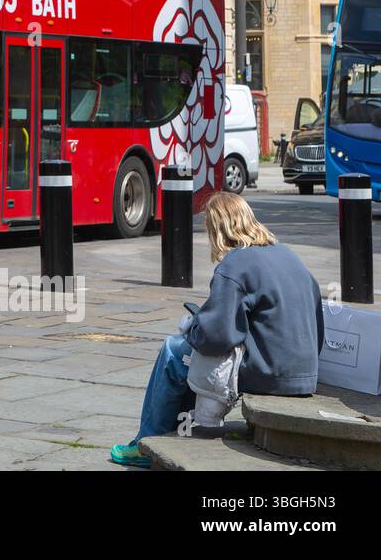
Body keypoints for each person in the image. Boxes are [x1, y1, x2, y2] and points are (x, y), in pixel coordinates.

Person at [110, 193, 324, 467]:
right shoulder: (289, 255)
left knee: (175, 352)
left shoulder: (234, 265)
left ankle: (147, 442)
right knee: (188, 352)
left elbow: (216, 338)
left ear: (217, 229)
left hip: (268, 374)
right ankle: (183, 430)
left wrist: (192, 328)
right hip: (306, 374)